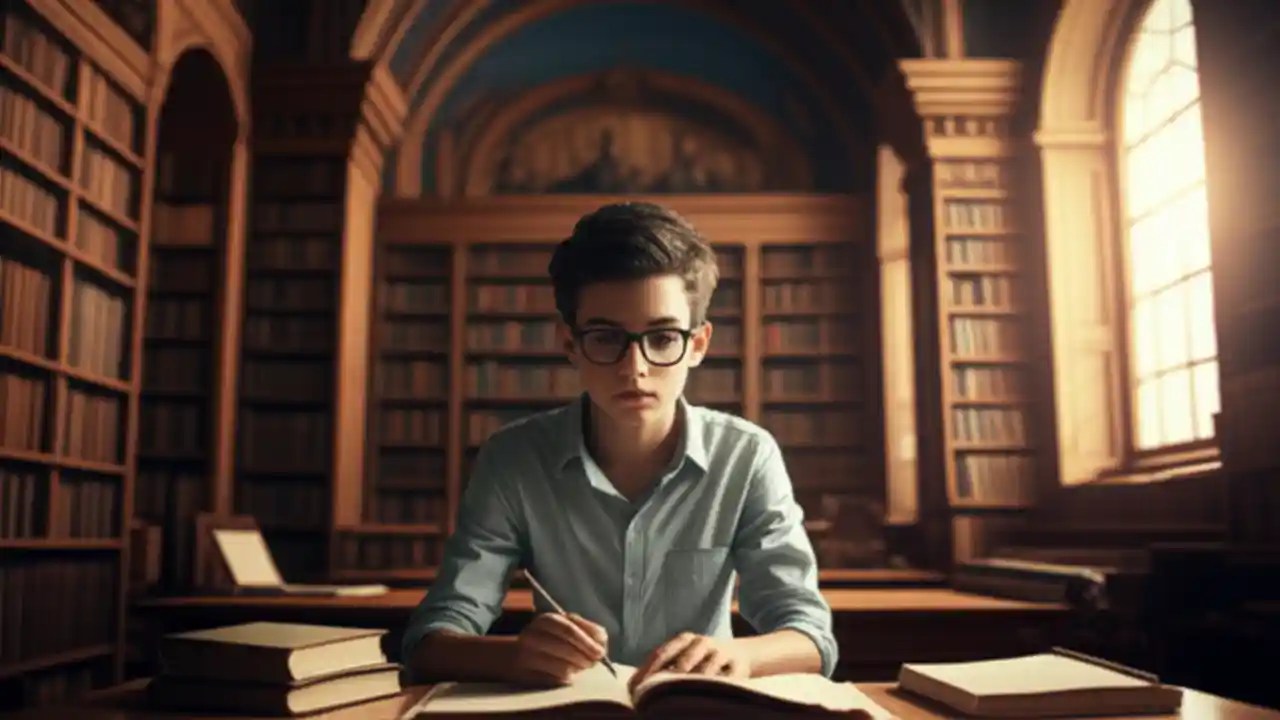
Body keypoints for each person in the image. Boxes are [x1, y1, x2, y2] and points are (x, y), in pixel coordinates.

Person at [401, 202, 836, 690]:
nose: (635, 368)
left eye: (663, 336)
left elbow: (812, 636)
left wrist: (737, 655)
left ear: (697, 344)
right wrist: (514, 656)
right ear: (570, 343)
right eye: (606, 338)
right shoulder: (513, 460)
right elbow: (428, 641)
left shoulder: (747, 456)